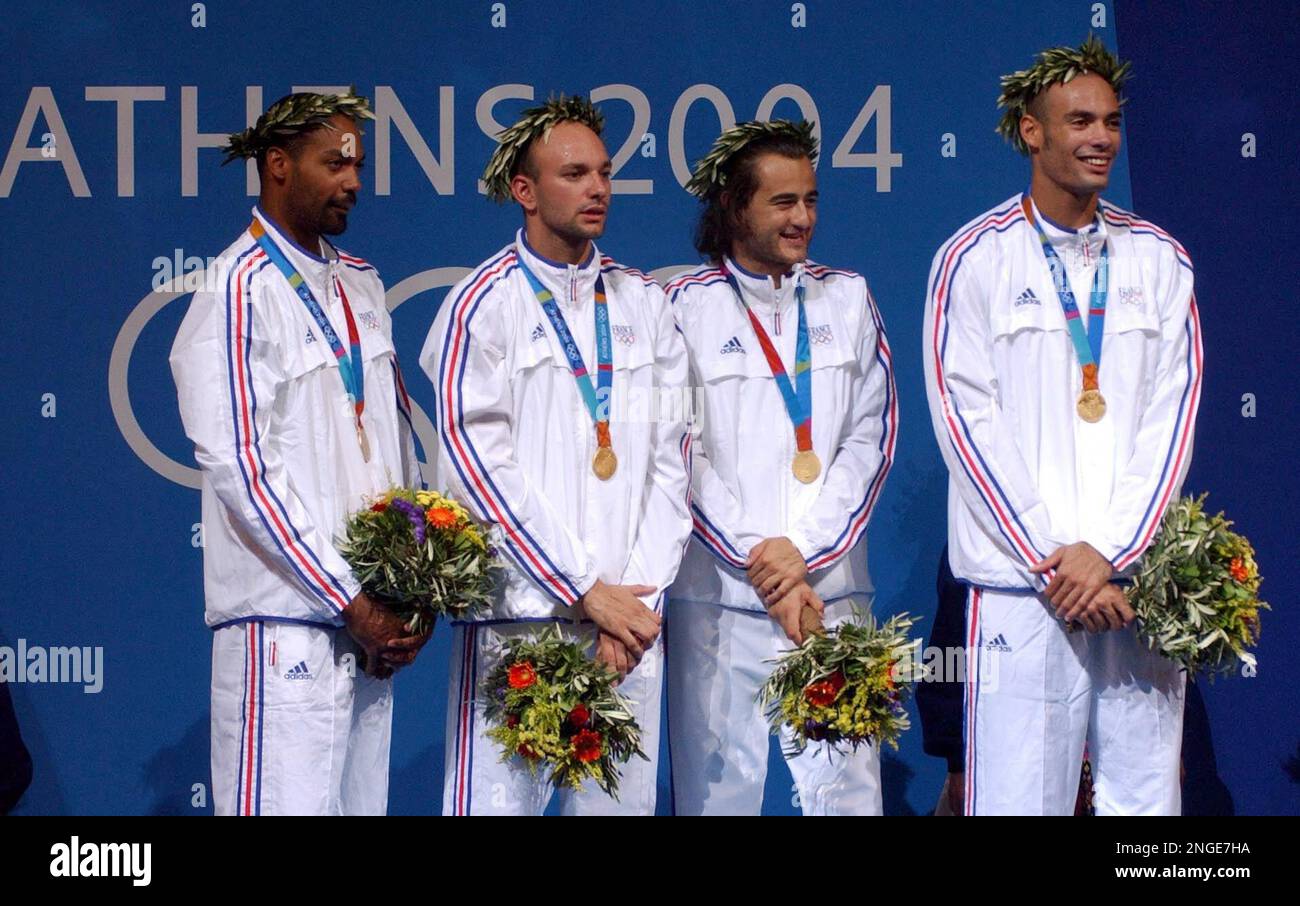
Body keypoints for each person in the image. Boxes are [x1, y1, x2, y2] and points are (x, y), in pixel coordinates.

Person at [922, 36, 1202, 815]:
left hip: (1133, 583)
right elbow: (966, 424)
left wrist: (1112, 553)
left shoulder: (1161, 260)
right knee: (1016, 802)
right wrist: (1058, 561)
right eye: (1079, 120)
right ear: (1030, 130)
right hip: (1019, 590)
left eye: (1111, 121)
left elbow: (1170, 424)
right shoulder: (972, 260)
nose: (1101, 137)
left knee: (1147, 808)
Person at [420, 96, 691, 816]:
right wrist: (581, 587)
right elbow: (477, 471)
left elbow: (675, 459)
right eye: (574, 174)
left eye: (604, 173)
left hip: (629, 631)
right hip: (521, 623)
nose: (598, 188)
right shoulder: (481, 304)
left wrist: (637, 598)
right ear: (526, 190)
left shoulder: (645, 304)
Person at [170, 90, 428, 816]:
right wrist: (346, 594)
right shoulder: (236, 287)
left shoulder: (362, 283)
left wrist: (407, 589)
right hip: (285, 622)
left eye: (359, 164)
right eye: (334, 163)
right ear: (277, 166)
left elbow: (397, 449)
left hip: (370, 627)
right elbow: (240, 468)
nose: (353, 179)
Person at [665, 120, 898, 815]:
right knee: (717, 799)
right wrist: (757, 558)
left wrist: (804, 552)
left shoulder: (850, 299)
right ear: (736, 208)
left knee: (848, 799)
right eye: (783, 202)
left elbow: (871, 437)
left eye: (812, 200)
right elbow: (679, 451)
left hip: (830, 595)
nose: (803, 219)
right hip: (719, 602)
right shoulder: (679, 308)